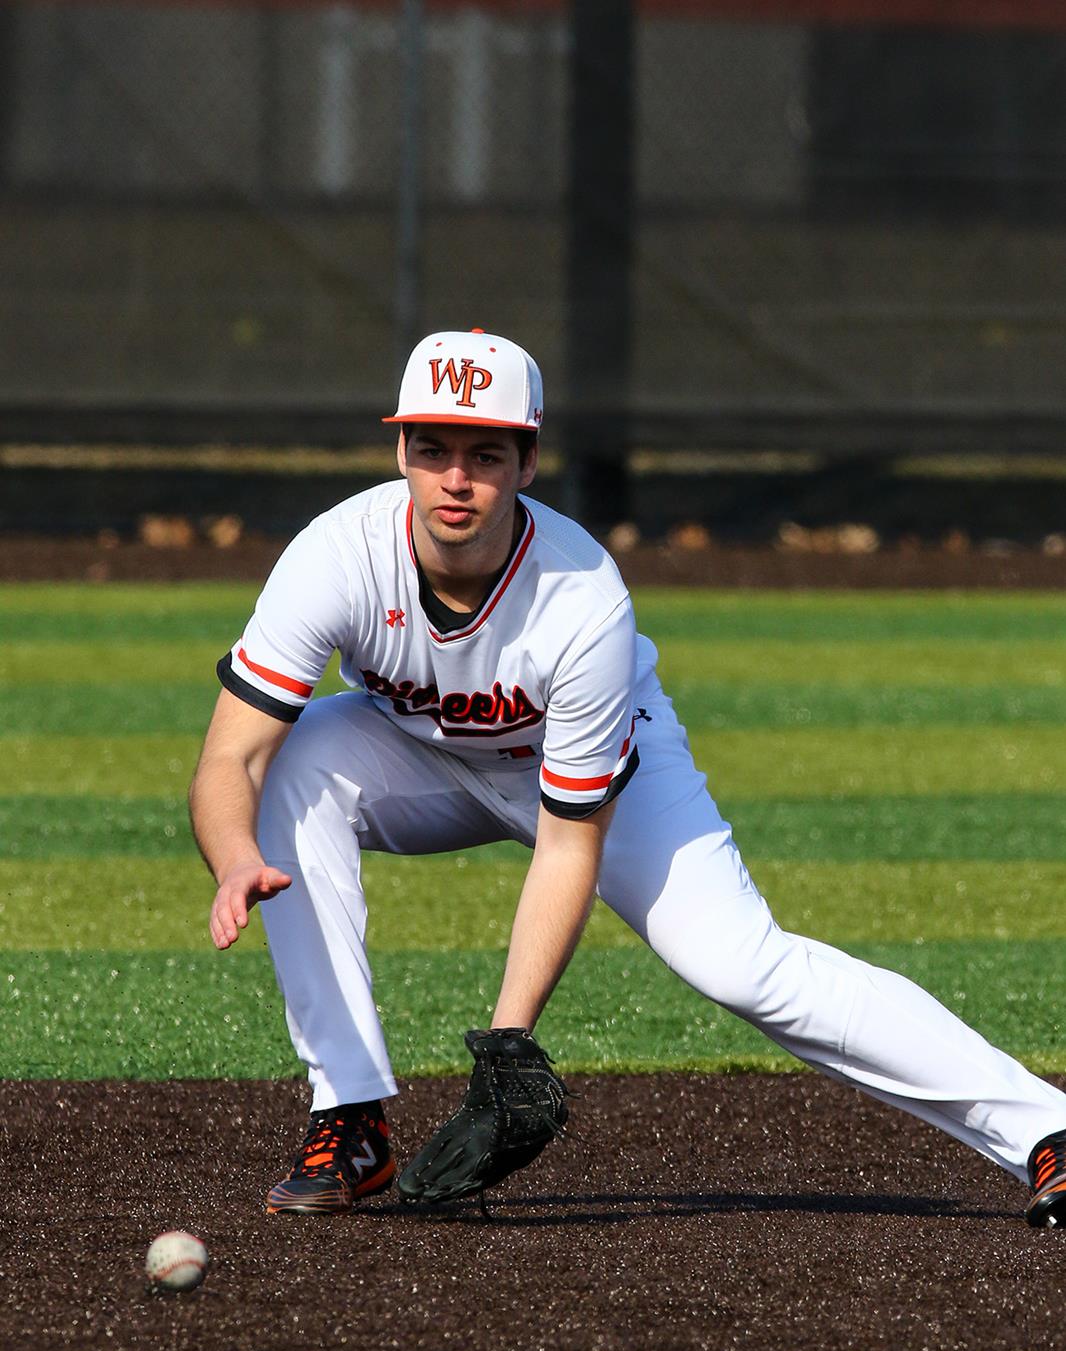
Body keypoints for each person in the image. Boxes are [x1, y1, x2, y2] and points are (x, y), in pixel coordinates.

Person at [189, 328, 1066, 1227]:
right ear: (400, 452)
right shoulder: (336, 554)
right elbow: (232, 756)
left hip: (604, 770)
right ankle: (351, 1118)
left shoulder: (583, 596)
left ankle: (1046, 1130)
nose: (456, 478)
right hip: (419, 755)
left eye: (486, 454)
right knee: (292, 763)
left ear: (528, 462)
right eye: (434, 449)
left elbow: (570, 841)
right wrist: (231, 859)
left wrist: (507, 1042)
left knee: (745, 968)